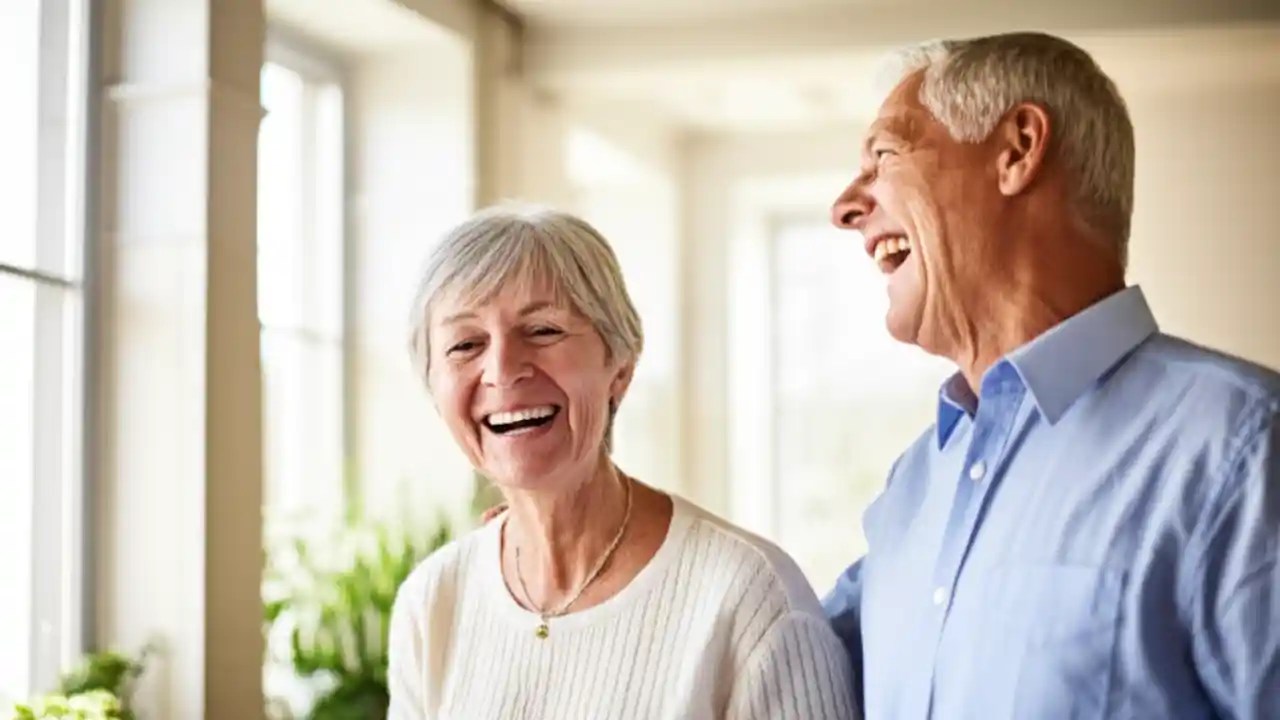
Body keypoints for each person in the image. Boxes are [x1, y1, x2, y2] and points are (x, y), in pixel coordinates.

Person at [822, 31, 1280, 718]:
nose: (845, 207)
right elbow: (765, 657)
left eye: (884, 155)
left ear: (1017, 149)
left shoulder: (1243, 448)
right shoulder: (913, 486)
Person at [390, 205, 858, 720]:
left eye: (542, 330)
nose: (502, 370)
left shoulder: (750, 599)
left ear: (620, 367)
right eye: (465, 344)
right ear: (433, 387)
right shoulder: (432, 602)